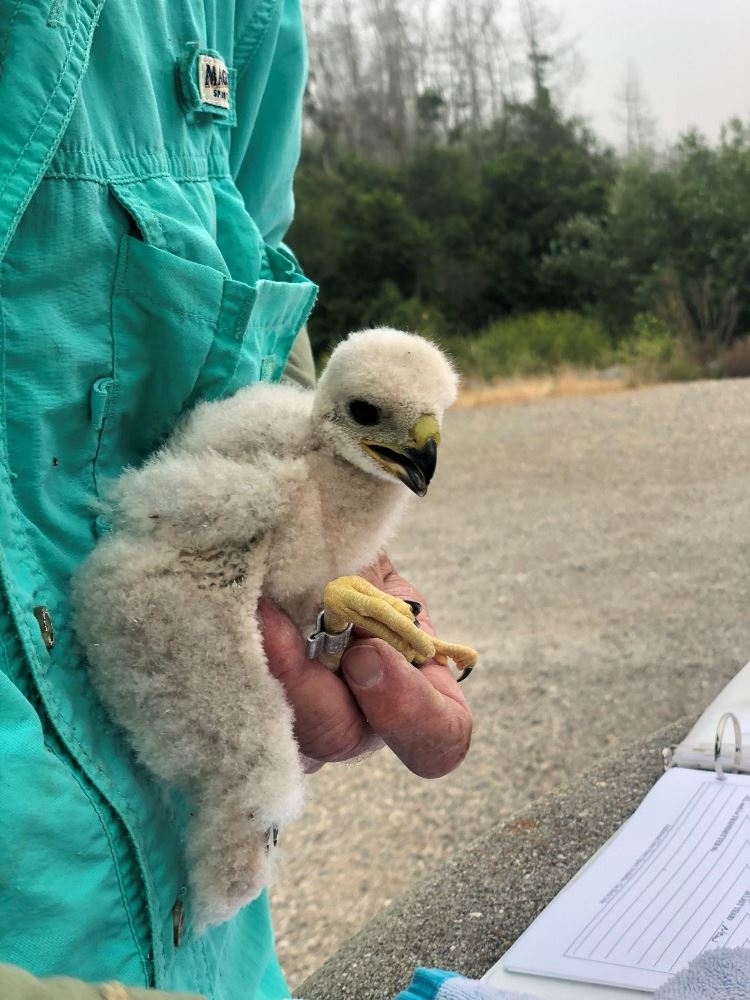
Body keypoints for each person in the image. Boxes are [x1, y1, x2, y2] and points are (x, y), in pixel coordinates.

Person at [0, 2, 472, 999]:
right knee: (254, 765)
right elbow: (165, 523)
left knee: (254, 786)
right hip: (41, 909)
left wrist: (342, 583)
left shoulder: (240, 15)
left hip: (199, 932)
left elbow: (258, 316)